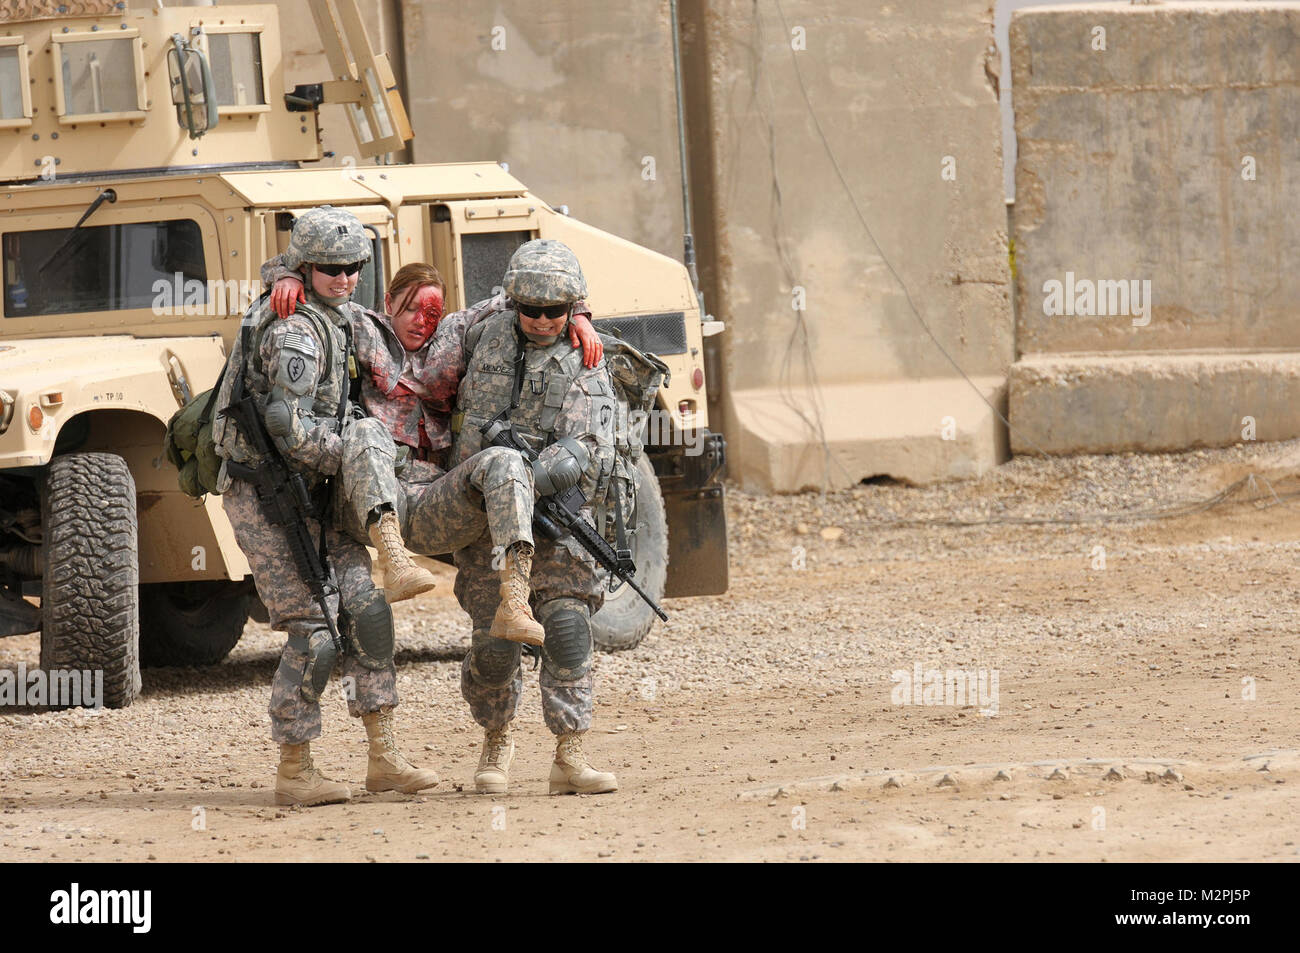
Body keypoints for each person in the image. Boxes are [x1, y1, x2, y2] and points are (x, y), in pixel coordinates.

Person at [212, 206, 438, 806]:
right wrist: (365, 453)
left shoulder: (335, 314)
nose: (344, 278)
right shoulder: (294, 329)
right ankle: (295, 767)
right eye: (331, 269)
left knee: (367, 612)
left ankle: (383, 755)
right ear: (307, 268)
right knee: (315, 633)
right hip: (268, 493)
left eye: (354, 267)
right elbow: (290, 431)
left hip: (321, 488)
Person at [262, 258, 607, 645]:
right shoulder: (360, 325)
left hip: (435, 497)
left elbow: (526, 296)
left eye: (431, 312)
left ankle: (514, 603)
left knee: (507, 460)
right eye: (409, 308)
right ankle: (393, 563)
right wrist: (287, 275)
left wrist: (579, 314)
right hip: (377, 488)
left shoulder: (455, 334)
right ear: (389, 302)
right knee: (366, 428)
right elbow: (324, 276)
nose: (419, 321)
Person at [449, 239, 620, 796]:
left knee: (567, 629)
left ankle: (570, 754)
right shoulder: (481, 332)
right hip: (487, 529)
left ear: (574, 307)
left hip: (557, 524)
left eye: (557, 310)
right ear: (512, 302)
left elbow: (590, 446)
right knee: (495, 651)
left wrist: (528, 481)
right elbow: (402, 337)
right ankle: (496, 742)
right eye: (531, 309)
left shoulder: (587, 362)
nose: (543, 320)